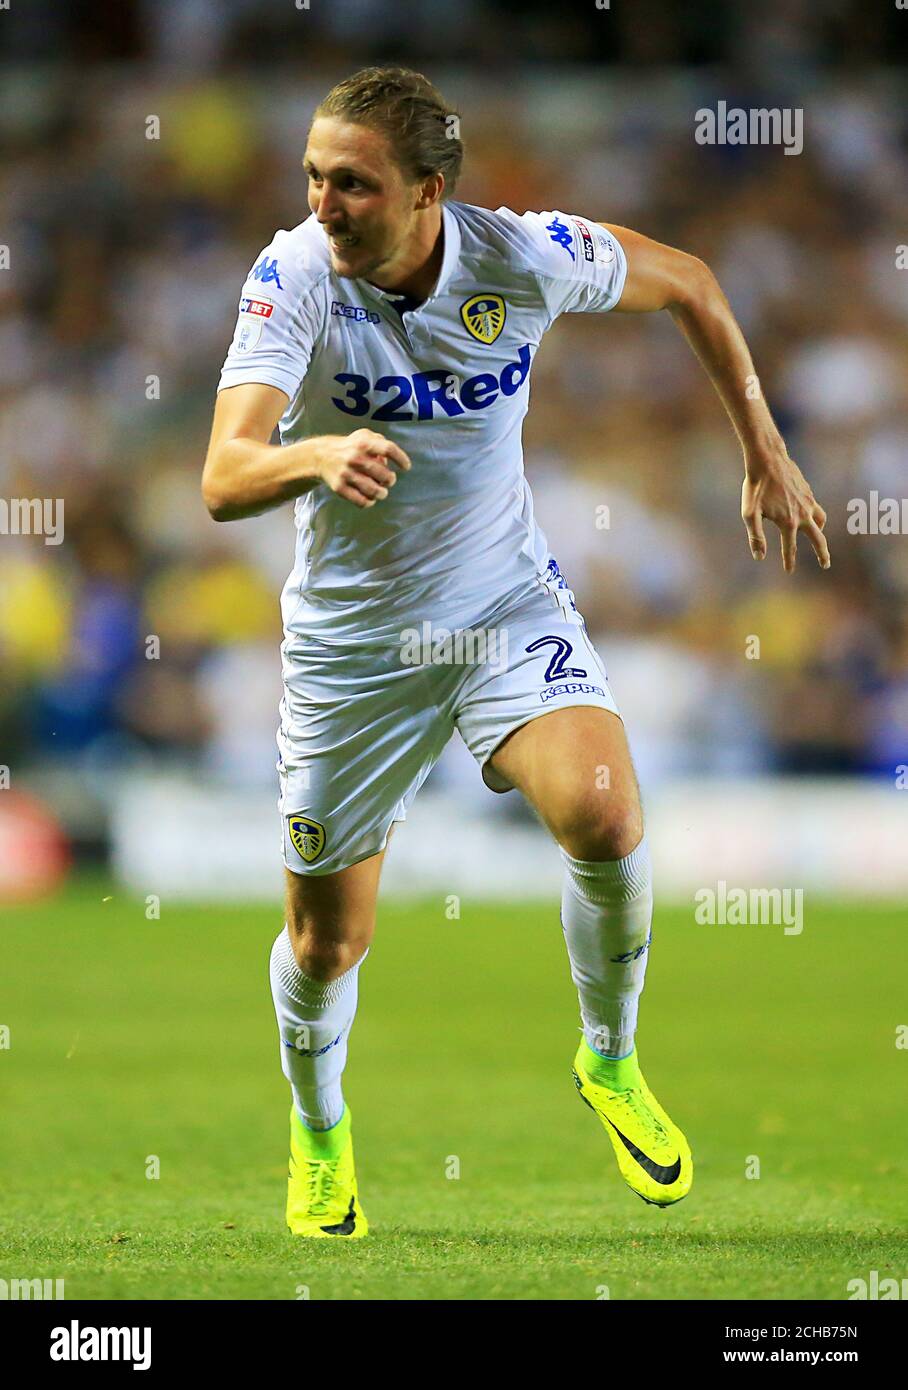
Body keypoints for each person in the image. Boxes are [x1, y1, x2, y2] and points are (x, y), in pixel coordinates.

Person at [203, 66, 830, 1237]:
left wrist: (761, 444)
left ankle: (608, 1059)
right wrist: (313, 457)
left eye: (351, 184)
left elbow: (690, 282)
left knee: (605, 813)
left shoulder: (524, 256)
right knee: (326, 937)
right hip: (353, 649)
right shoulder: (290, 276)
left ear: (427, 191)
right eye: (312, 179)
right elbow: (222, 473)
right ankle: (321, 1129)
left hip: (501, 605)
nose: (321, 204)